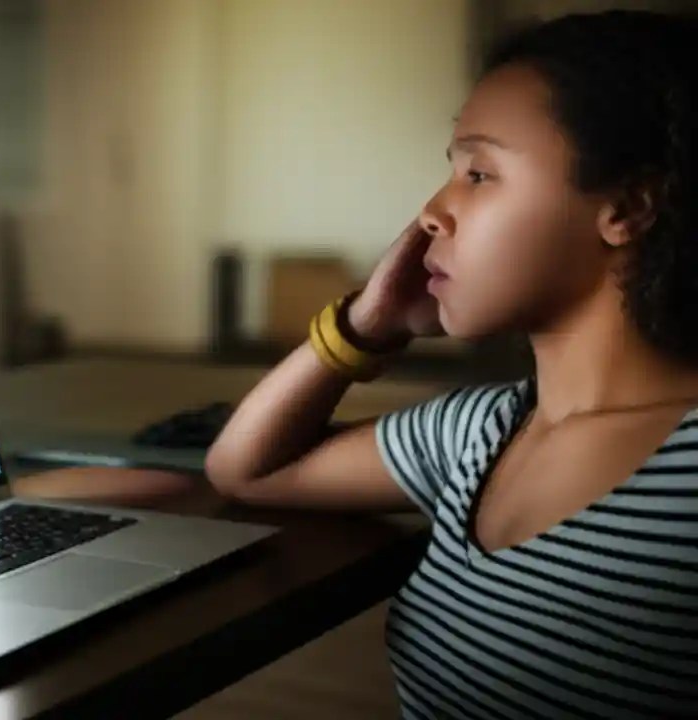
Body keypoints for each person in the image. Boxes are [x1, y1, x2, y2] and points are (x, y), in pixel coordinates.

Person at [204, 9, 698, 719]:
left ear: (626, 207)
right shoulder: (478, 434)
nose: (432, 213)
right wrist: (361, 329)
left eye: (479, 171)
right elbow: (247, 469)